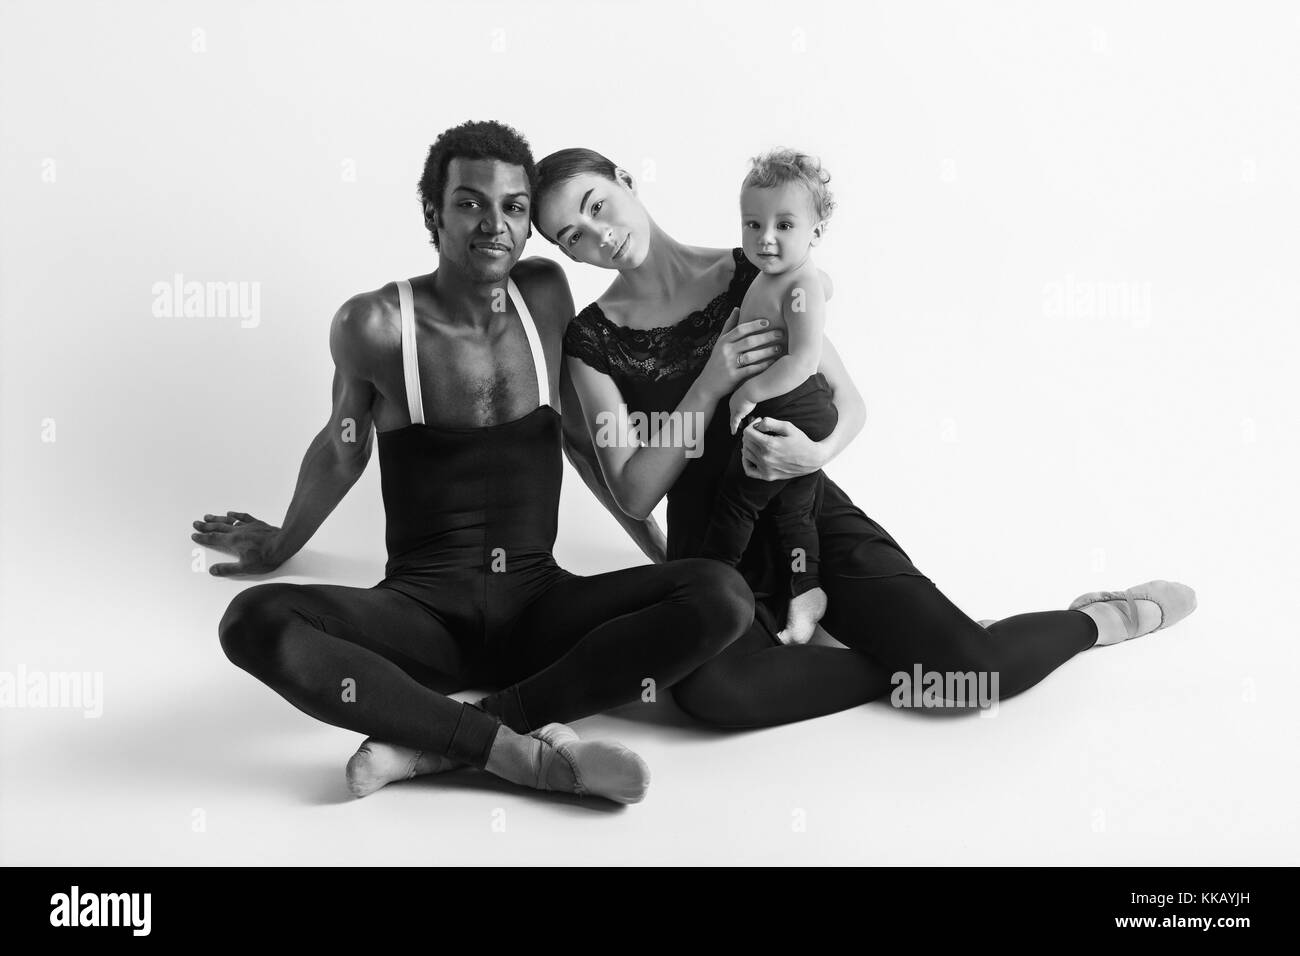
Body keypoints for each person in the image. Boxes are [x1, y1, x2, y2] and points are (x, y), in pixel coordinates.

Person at [534, 146, 1197, 726]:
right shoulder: (593, 340)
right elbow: (633, 492)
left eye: (597, 206)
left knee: (975, 676)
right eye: (572, 237)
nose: (599, 235)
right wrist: (708, 385)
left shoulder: (758, 268)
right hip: (713, 554)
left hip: (807, 515)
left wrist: (816, 452)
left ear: (626, 181)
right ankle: (900, 665)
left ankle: (1105, 618)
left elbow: (848, 402)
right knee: (713, 696)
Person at [193, 122, 753, 803]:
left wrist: (662, 560)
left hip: (541, 608)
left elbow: (581, 442)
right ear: (433, 212)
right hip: (422, 619)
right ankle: (518, 755)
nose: (494, 224)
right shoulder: (374, 324)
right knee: (254, 621)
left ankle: (445, 743)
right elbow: (343, 449)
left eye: (513, 207)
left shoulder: (544, 294)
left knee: (721, 593)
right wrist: (279, 544)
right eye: (470, 203)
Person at [699, 148, 839, 645]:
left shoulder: (800, 284)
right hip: (791, 407)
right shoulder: (777, 274)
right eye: (753, 224)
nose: (765, 238)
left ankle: (707, 581)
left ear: (815, 233)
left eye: (784, 225)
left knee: (738, 500)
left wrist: (747, 393)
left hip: (793, 408)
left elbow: (803, 360)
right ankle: (806, 591)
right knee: (793, 511)